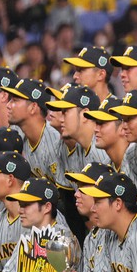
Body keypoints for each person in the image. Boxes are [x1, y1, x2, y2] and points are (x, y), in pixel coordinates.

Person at [46, 84, 110, 242]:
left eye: (66, 112)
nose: (61, 118)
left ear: (85, 114)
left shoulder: (100, 151)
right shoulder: (82, 147)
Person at [3, 78, 61, 185]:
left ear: (33, 107)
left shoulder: (55, 142)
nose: (8, 105)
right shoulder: (20, 136)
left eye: (15, 100)